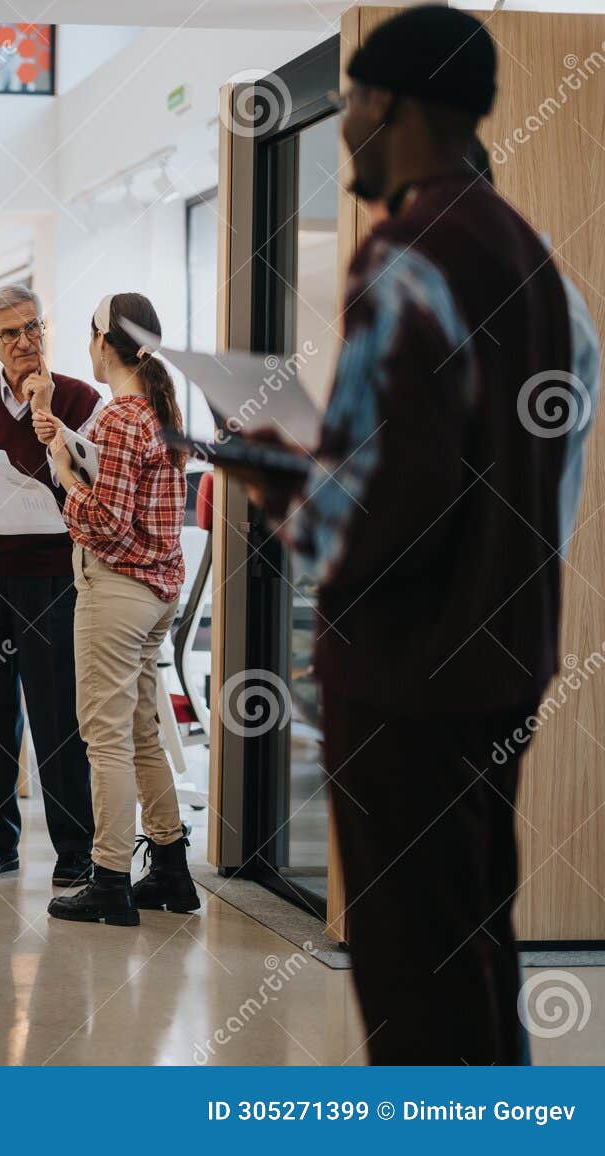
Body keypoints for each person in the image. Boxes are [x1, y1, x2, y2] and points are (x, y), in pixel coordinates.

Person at [232, 5, 598, 1064]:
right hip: (497, 662)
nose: (343, 125)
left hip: (406, 680)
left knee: (410, 984)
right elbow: (471, 468)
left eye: (349, 101)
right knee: (474, 947)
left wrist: (276, 484)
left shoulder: (404, 252)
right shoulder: (525, 256)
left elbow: (382, 504)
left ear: (386, 104)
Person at [34, 293, 195, 927]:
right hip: (157, 594)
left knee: (104, 740)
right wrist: (67, 442)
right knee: (139, 732)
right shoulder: (155, 410)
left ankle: (108, 880)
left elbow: (104, 521)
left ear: (104, 342)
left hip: (117, 591)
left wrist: (64, 477)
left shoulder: (121, 417)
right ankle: (172, 868)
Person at [0, 284, 99, 887]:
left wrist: (51, 426)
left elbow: (93, 488)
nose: (25, 342)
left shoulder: (83, 400)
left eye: (33, 328)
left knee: (58, 714)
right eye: (10, 333)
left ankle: (73, 850)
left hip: (55, 577)